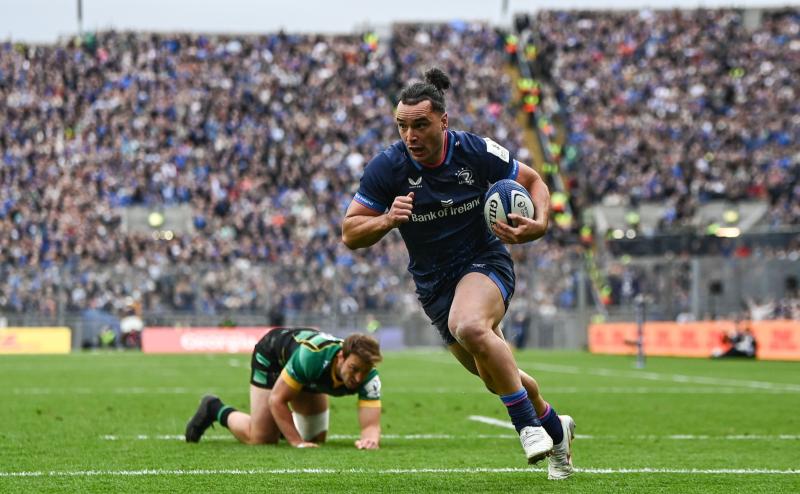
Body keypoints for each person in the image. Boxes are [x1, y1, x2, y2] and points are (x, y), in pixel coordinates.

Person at [341, 67, 574, 480]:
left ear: (443, 122)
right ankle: (558, 431)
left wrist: (539, 224)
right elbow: (350, 232)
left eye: (420, 125)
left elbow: (534, 181)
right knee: (496, 376)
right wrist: (386, 221)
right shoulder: (387, 168)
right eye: (402, 126)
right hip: (434, 286)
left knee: (469, 325)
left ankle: (526, 428)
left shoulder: (475, 152)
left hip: (484, 262)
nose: (410, 135)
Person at [185, 327, 383, 449]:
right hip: (273, 357)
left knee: (315, 439)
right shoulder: (312, 358)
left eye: (365, 371)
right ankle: (214, 408)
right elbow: (277, 399)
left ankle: (278, 426)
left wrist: (369, 440)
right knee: (261, 438)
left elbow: (370, 426)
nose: (359, 378)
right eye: (354, 369)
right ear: (341, 357)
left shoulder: (369, 379)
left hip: (304, 373)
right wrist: (296, 442)